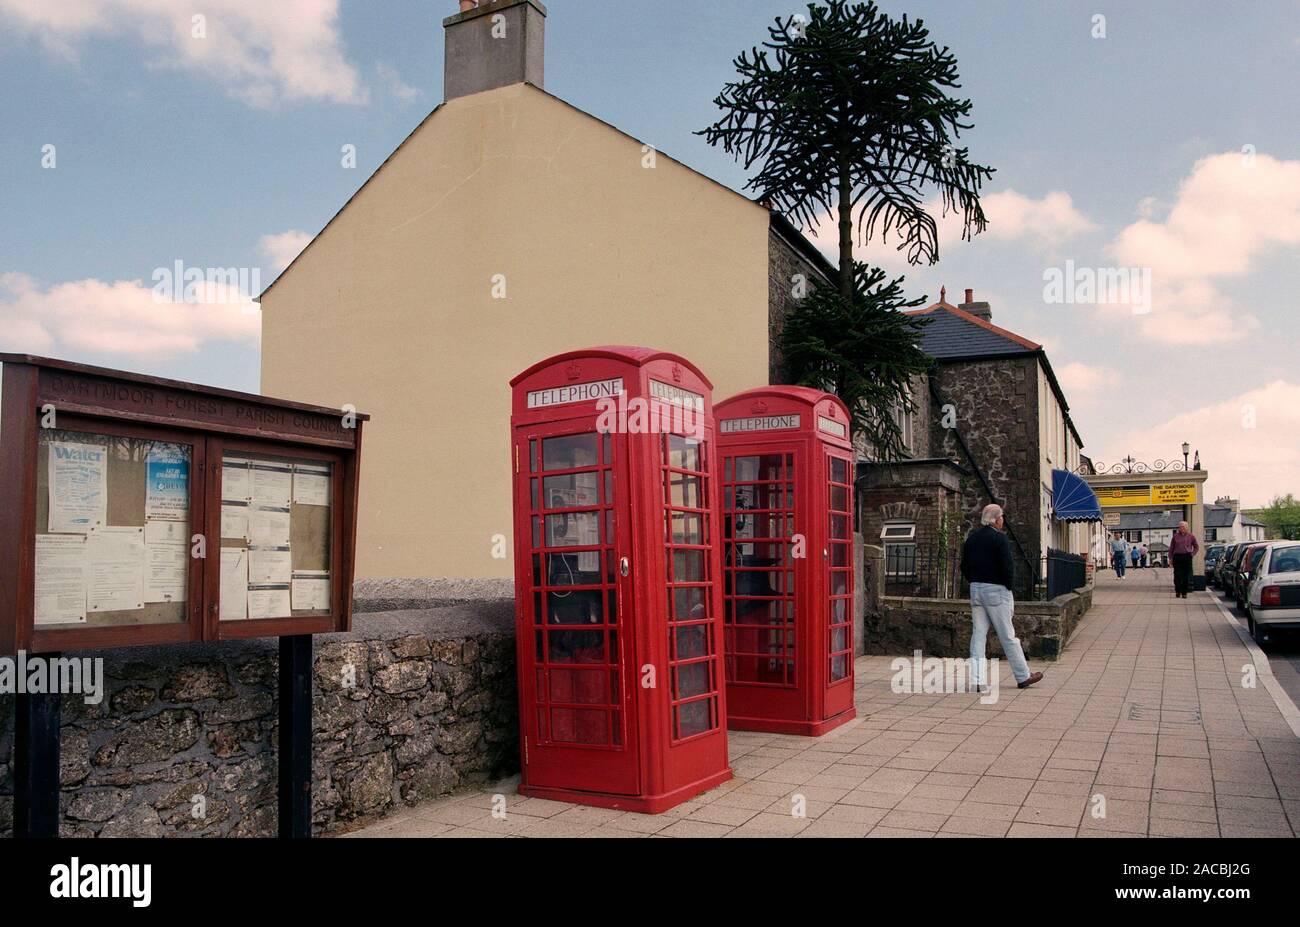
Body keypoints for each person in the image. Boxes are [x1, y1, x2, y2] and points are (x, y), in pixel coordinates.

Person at [961, 504, 1043, 691]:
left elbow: (964, 566)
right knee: (1007, 635)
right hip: (996, 590)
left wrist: (974, 581)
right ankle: (1023, 675)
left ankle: (977, 680)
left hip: (976, 589)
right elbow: (1008, 567)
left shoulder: (972, 539)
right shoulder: (1000, 538)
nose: (1003, 520)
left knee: (978, 636)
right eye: (1002, 517)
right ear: (996, 519)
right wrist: (1007, 586)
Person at [1169, 520, 1200, 598]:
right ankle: (1178, 591)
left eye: (1183, 527)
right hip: (1177, 557)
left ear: (1187, 527)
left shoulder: (1191, 536)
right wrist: (1170, 558)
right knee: (1177, 575)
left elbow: (1196, 546)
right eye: (1180, 527)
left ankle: (1184, 592)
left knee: (1185, 576)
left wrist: (1192, 554)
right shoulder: (1175, 536)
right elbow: (1171, 548)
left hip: (1187, 557)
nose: (1181, 528)